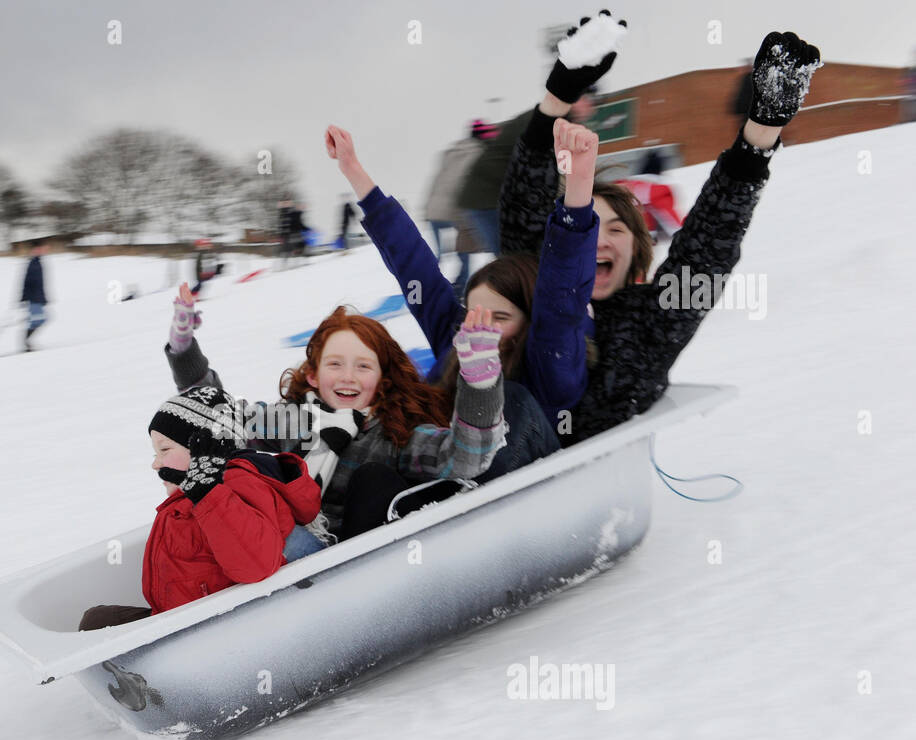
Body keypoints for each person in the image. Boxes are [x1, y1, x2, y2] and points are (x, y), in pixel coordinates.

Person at [496, 15, 820, 443]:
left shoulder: (653, 320)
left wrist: (759, 137)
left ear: (637, 251)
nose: (599, 239)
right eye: (590, 225)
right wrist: (555, 102)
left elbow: (707, 251)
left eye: (617, 229)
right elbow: (523, 213)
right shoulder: (533, 293)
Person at [164, 282, 506, 543]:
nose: (347, 376)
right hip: (277, 552)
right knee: (228, 465)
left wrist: (480, 383)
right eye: (335, 364)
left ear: (382, 378)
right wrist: (183, 349)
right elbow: (220, 417)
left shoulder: (395, 436)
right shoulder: (295, 420)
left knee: (372, 477)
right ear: (313, 374)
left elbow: (467, 458)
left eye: (362, 366)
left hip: (341, 566)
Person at [325, 124, 560, 478]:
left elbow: (567, 304)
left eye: (499, 316)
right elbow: (414, 264)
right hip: (444, 473)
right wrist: (353, 170)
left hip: (518, 483)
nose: (480, 325)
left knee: (511, 398)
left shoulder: (544, 360)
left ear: (529, 320)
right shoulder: (456, 339)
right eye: (473, 311)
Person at [77, 385, 323, 631]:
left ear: (205, 448)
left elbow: (257, 565)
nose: (156, 464)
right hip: (181, 618)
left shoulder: (234, 485)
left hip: (214, 631)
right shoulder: (194, 492)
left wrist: (207, 493)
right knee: (98, 620)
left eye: (164, 450)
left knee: (96, 627)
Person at [424, 122, 488, 300]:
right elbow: (463, 185)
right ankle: (460, 289)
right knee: (465, 251)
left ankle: (428, 286)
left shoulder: (453, 151)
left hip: (433, 210)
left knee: (438, 256)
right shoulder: (477, 153)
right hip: (454, 211)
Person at [20, 240, 50, 351]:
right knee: (39, 320)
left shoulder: (37, 262)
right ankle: (26, 343)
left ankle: (27, 342)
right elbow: (27, 282)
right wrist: (24, 298)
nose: (44, 250)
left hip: (37, 297)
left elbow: (40, 283)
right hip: (33, 298)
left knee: (41, 319)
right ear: (36, 249)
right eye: (42, 248)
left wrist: (44, 298)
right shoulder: (33, 263)